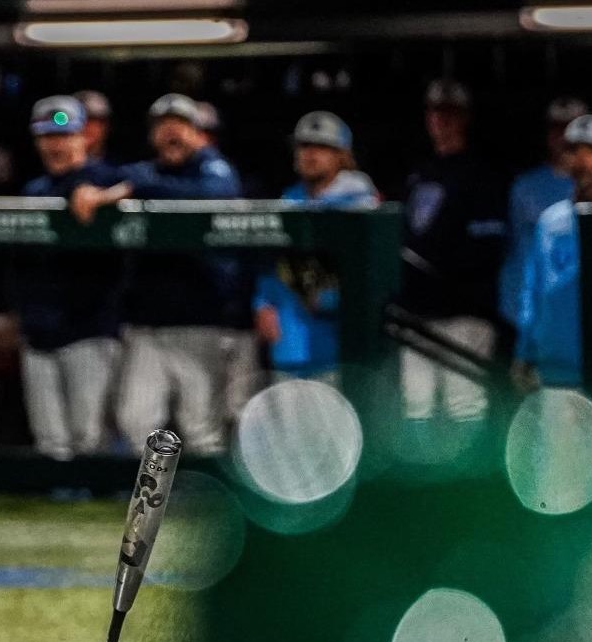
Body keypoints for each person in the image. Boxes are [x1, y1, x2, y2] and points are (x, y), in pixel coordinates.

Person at [72, 92, 244, 454]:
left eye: (180, 127)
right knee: (137, 421)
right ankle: (152, 505)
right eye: (164, 128)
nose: (172, 135)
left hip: (200, 322)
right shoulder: (144, 172)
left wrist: (129, 189)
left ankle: (204, 507)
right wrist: (92, 189)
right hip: (147, 325)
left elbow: (212, 196)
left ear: (198, 133)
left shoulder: (213, 169)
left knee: (202, 428)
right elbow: (115, 175)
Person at [9, 95, 127, 459]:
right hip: (39, 331)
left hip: (89, 331)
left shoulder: (107, 178)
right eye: (47, 137)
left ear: (84, 137)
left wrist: (107, 195)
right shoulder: (34, 191)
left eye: (63, 135)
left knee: (88, 437)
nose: (55, 144)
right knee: (50, 442)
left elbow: (142, 181)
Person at [399, 79, 508, 427]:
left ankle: (469, 484)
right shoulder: (419, 173)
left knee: (465, 409)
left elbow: (489, 248)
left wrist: (440, 276)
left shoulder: (482, 174)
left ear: (464, 118)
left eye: (449, 113)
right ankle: (419, 484)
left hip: (465, 314)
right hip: (418, 314)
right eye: (435, 112)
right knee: (416, 412)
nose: (441, 120)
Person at [254, 111, 380, 380]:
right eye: (304, 146)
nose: (310, 154)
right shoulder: (288, 200)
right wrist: (263, 303)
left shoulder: (359, 202)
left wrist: (327, 297)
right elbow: (271, 260)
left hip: (338, 348)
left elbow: (371, 272)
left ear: (342, 155)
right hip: (289, 344)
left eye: (322, 147)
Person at [501, 96, 587, 388]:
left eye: (591, 151)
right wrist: (525, 347)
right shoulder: (550, 218)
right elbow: (530, 282)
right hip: (555, 356)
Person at [73, 89, 113, 161]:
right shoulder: (53, 169)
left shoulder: (121, 169)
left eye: (90, 119)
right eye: (76, 119)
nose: (82, 126)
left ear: (104, 125)